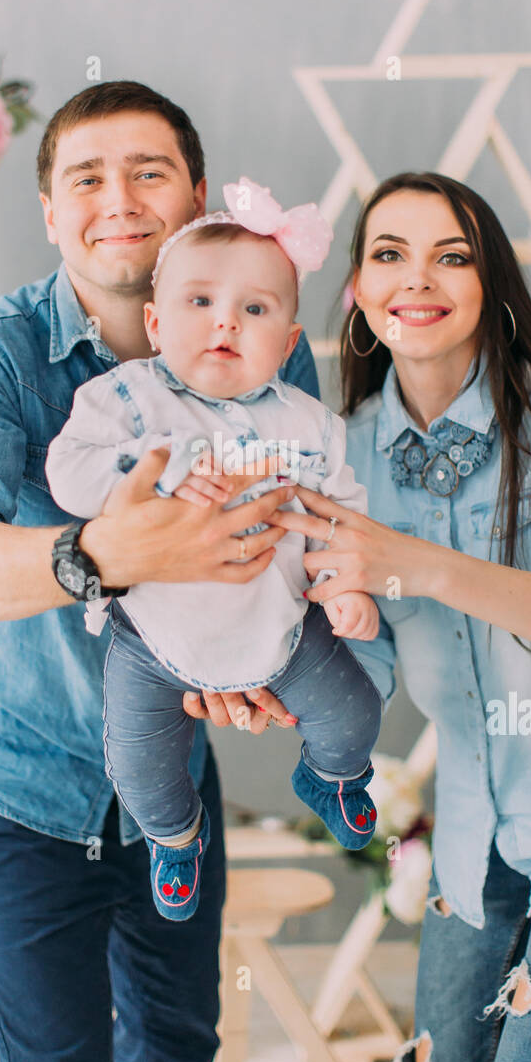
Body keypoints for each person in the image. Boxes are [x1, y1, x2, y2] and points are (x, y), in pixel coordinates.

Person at [0, 81, 319, 1062]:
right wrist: (96, 552)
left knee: (177, 1057)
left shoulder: (266, 334)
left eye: (147, 172)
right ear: (50, 212)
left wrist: (257, 660)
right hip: (25, 783)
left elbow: (286, 544)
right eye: (86, 178)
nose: (118, 197)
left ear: (196, 198)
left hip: (173, 776)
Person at [269, 171, 531, 1062]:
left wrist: (416, 561)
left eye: (452, 255)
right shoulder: (348, 448)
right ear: (361, 298)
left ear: (491, 285)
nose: (419, 277)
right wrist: (272, 680)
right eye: (389, 255)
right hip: (473, 837)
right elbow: (365, 650)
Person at [45, 177, 383, 920]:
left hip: (285, 629)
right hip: (152, 640)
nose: (225, 323)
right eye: (200, 303)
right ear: (155, 322)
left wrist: (347, 586)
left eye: (254, 310)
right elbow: (67, 474)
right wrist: (143, 471)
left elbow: (339, 514)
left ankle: (334, 777)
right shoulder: (129, 400)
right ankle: (176, 836)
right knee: (139, 764)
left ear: (289, 343)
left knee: (355, 713)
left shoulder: (308, 425)